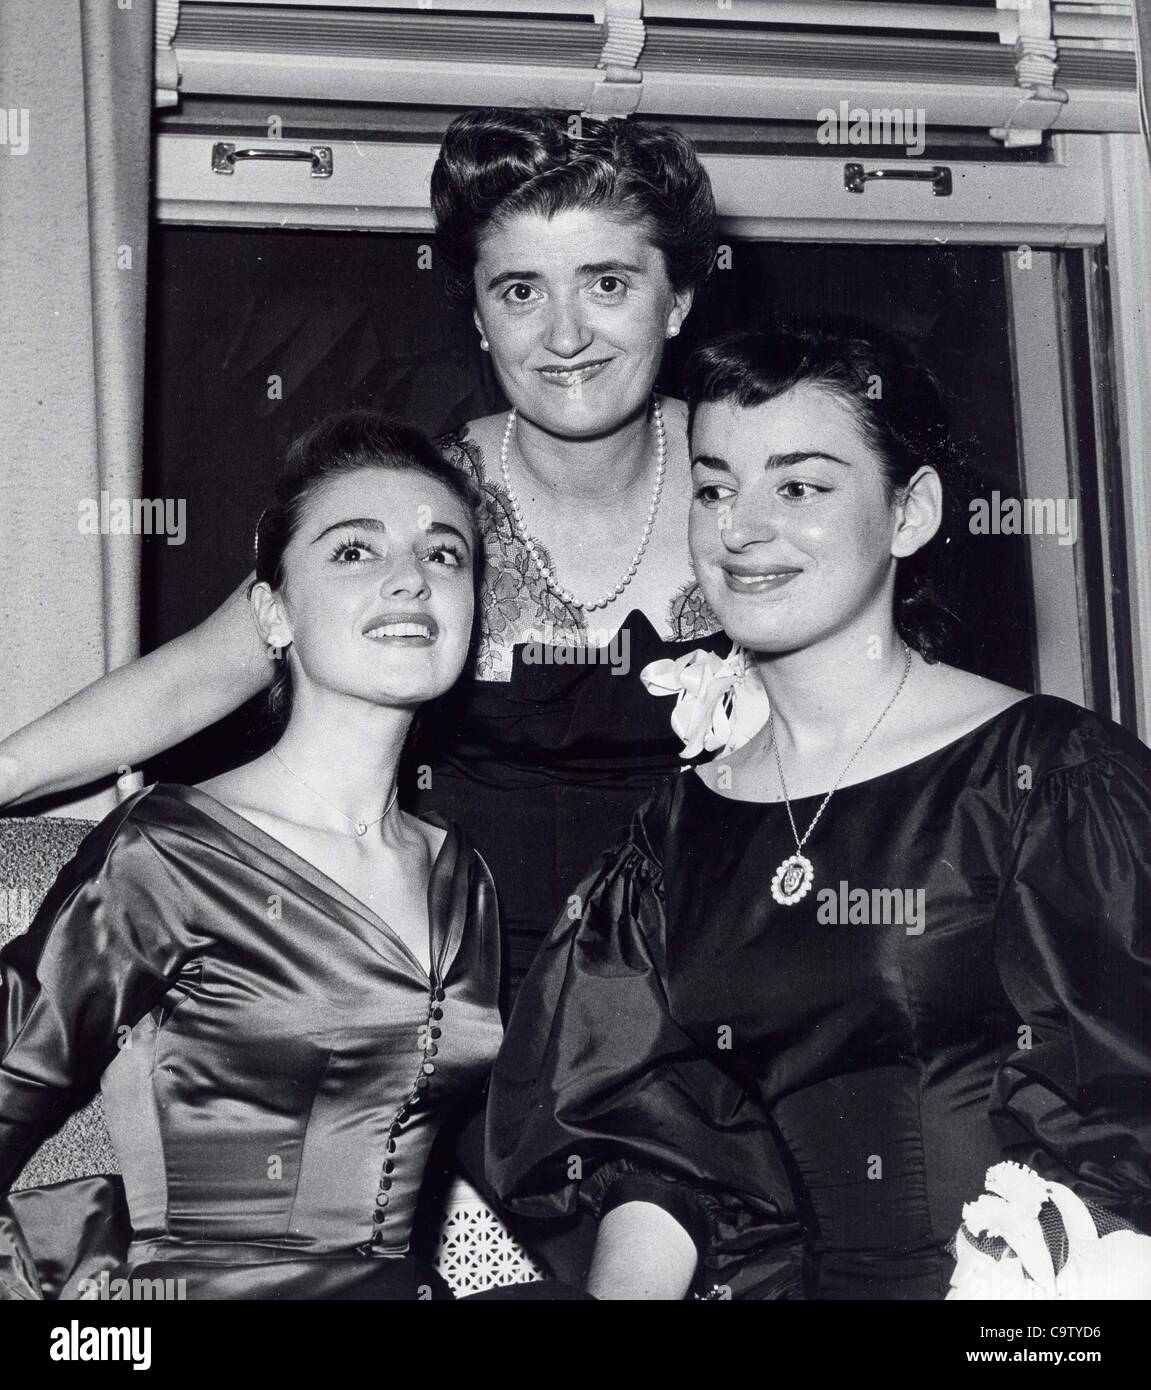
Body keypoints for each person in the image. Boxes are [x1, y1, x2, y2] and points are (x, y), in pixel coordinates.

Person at [484, 329, 1151, 1301]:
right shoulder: (671, 836)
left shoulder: (1045, 775)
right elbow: (647, 1140)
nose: (739, 528)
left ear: (908, 513)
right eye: (713, 488)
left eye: (797, 486)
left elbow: (1126, 1118)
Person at [1, 413, 508, 1300]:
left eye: (443, 555)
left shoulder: (462, 875)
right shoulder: (170, 850)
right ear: (273, 613)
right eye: (354, 551)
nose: (409, 580)